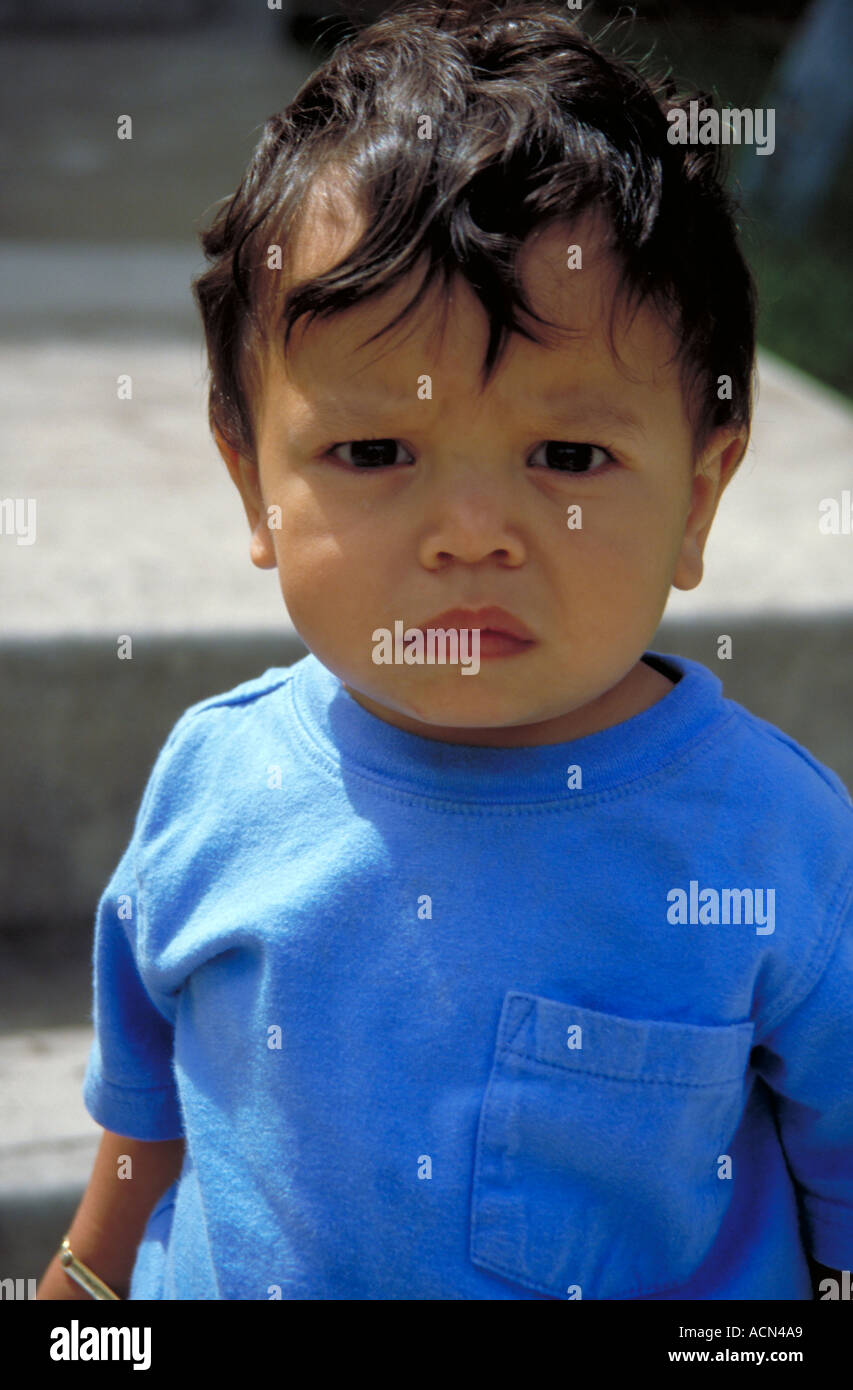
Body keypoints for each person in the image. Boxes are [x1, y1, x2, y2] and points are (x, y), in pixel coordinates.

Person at [38, 0, 852, 1301]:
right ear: (252, 482)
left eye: (568, 456)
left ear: (697, 495)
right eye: (372, 453)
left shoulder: (770, 849)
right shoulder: (212, 778)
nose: (471, 533)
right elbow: (152, 1079)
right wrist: (85, 1277)